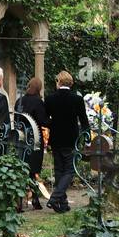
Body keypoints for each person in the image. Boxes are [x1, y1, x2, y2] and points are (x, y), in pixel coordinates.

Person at [43, 70, 88, 213]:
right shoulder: (77, 99)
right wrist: (86, 137)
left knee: (59, 169)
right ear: (71, 83)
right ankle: (56, 199)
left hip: (56, 138)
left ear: (58, 82)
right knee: (69, 169)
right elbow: (84, 120)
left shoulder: (50, 98)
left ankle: (61, 204)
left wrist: (53, 124)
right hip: (71, 139)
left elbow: (45, 119)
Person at [16, 76, 49, 210]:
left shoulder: (20, 100)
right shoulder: (38, 102)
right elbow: (43, 121)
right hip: (34, 138)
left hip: (21, 137)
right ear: (39, 88)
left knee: (22, 168)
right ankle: (35, 199)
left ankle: (19, 200)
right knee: (34, 169)